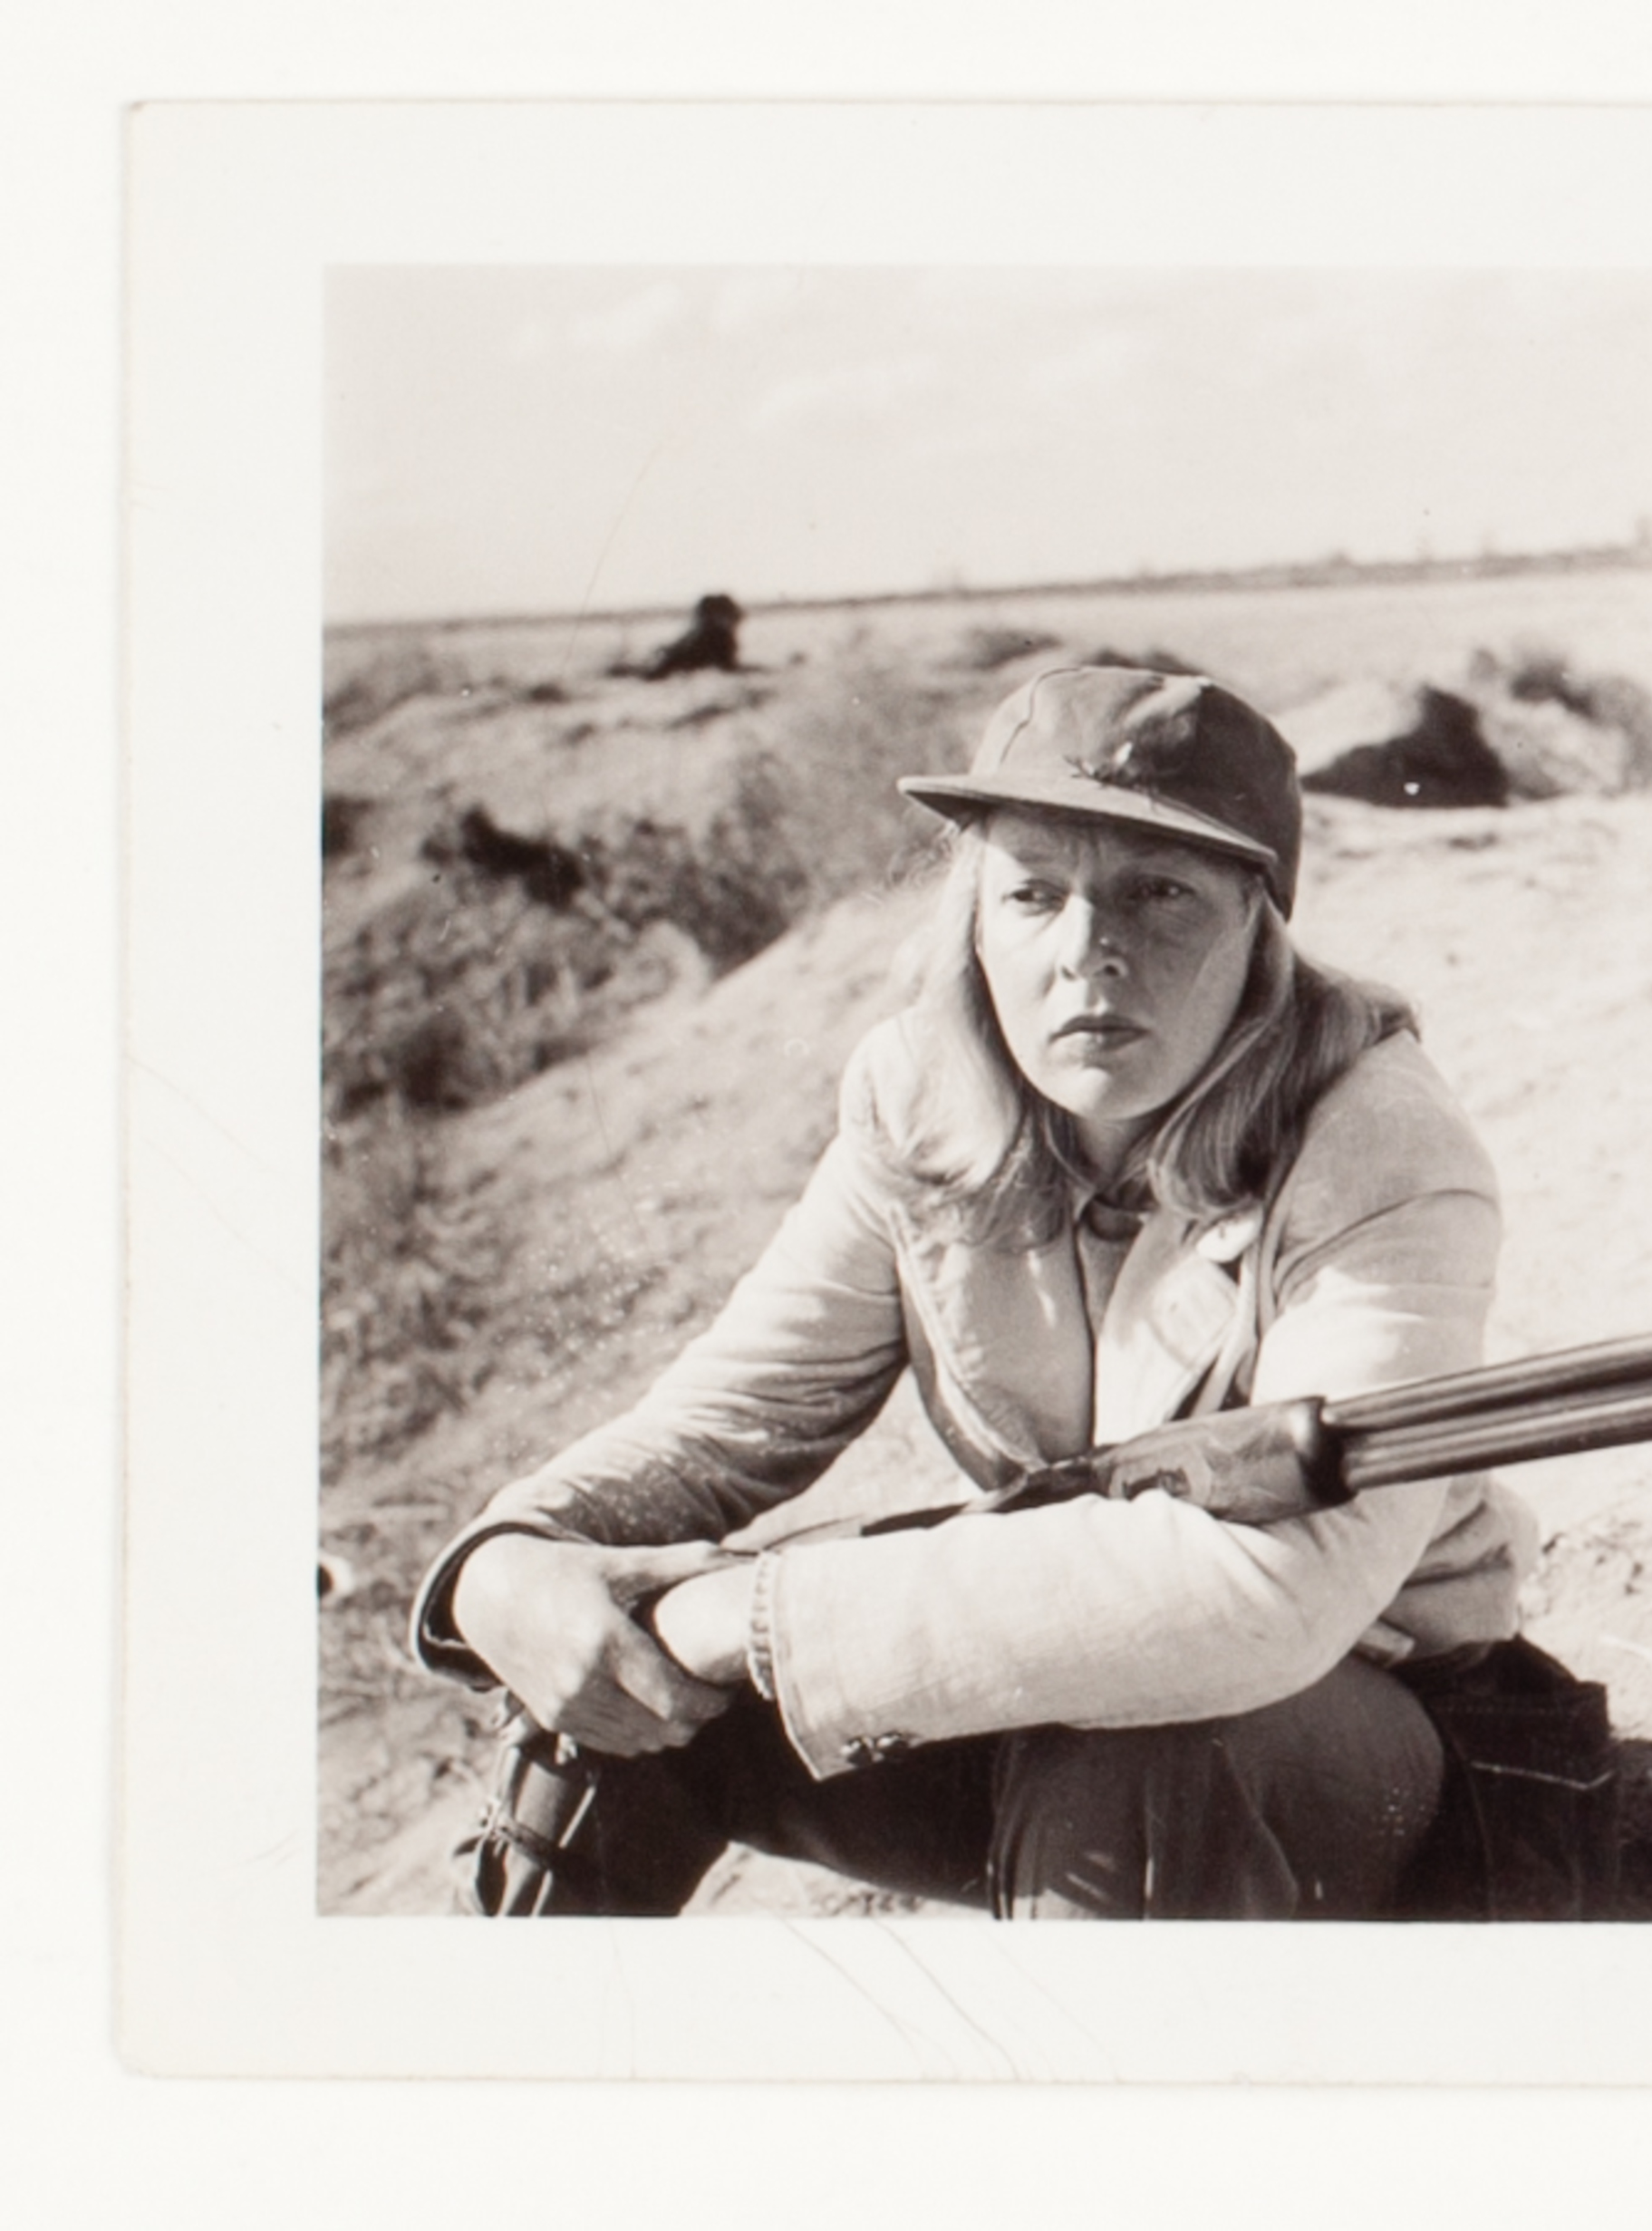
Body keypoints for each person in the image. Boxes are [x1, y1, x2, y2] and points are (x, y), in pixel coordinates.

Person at [410, 664, 1538, 1919]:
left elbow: (1272, 1597)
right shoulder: (917, 1097)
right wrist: (505, 1562)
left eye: (1158, 894)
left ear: (1259, 925)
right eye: (1035, 892)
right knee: (613, 1692)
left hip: (1349, 1721)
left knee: (1155, 1753)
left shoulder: (1381, 1142)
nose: (1087, 953)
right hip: (1041, 1683)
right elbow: (724, 1426)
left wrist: (765, 1615)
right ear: (977, 916)